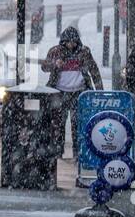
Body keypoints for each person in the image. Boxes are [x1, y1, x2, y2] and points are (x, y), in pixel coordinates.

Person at [40, 27, 103, 157]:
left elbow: (94, 71)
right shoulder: (55, 52)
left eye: (73, 42)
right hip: (59, 92)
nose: (71, 45)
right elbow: (44, 67)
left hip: (79, 93)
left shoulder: (84, 52)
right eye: (68, 42)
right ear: (63, 41)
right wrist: (54, 64)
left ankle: (77, 152)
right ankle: (58, 151)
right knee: (58, 123)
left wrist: (99, 91)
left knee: (77, 123)